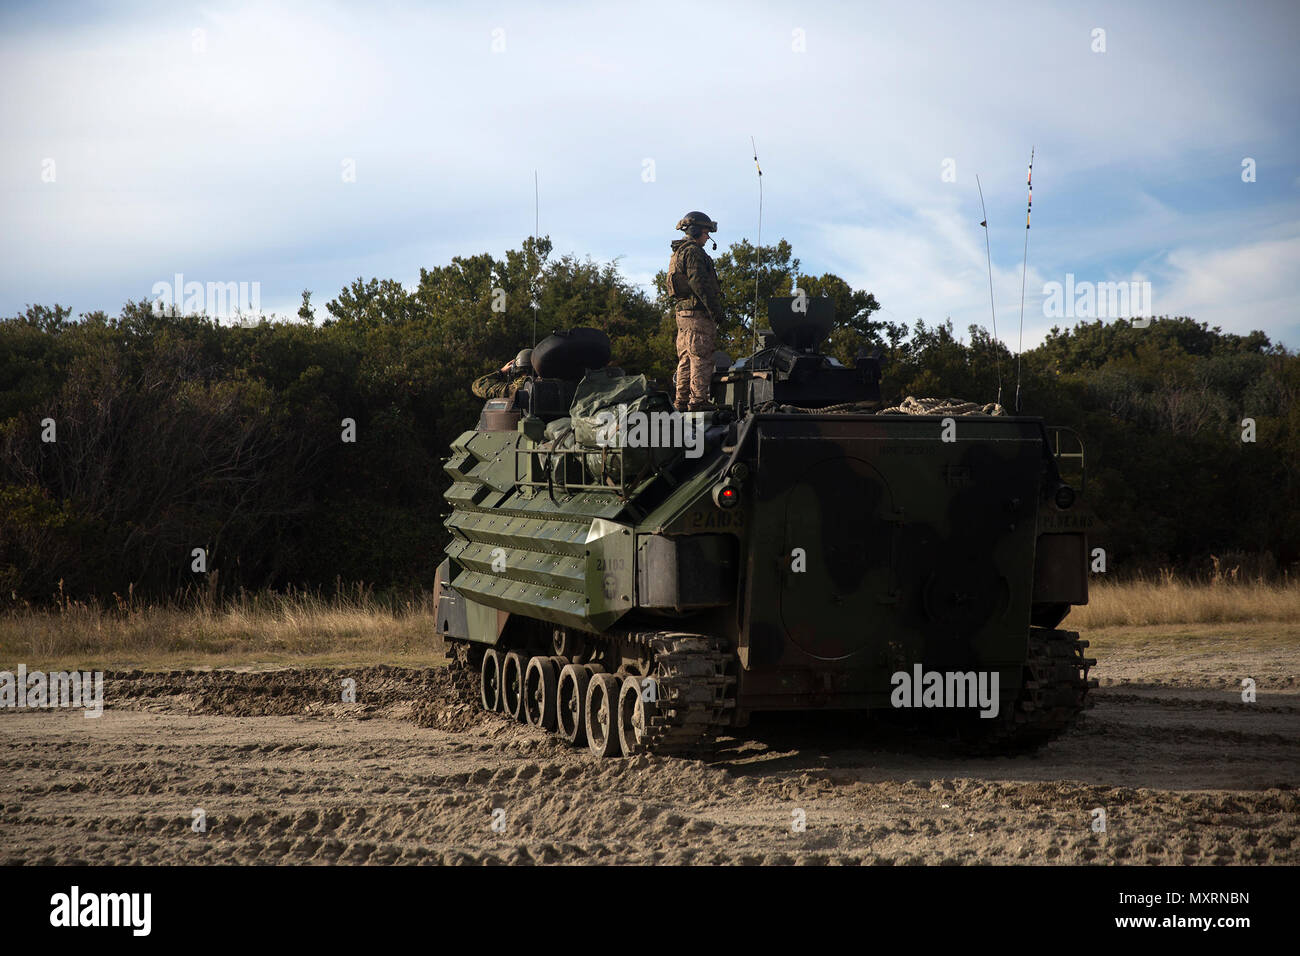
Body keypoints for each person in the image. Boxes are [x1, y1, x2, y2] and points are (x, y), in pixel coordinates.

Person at [666, 211, 723, 412]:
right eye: (706, 232)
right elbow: (699, 283)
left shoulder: (679, 251)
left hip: (683, 315)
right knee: (701, 356)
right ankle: (698, 402)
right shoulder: (693, 252)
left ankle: (681, 402)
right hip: (697, 314)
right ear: (697, 230)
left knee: (686, 359)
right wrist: (715, 310)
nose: (708, 237)